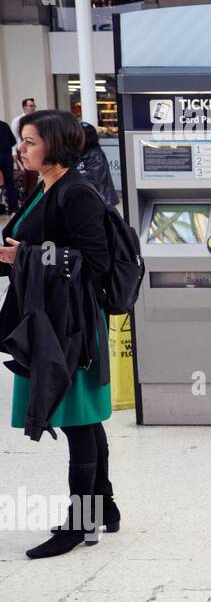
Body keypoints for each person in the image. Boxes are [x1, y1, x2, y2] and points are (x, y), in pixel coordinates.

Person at [0, 110, 116, 558]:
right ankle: (104, 508)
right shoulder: (44, 188)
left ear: (54, 145)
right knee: (84, 417)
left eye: (29, 141)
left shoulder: (76, 192)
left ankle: (80, 523)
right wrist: (17, 254)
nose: (21, 149)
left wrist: (24, 258)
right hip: (50, 316)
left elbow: (94, 261)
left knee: (76, 419)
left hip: (71, 323)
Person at [76, 122, 118, 208]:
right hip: (90, 200)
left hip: (101, 201)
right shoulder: (79, 153)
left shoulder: (95, 155)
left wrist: (70, 175)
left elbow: (94, 178)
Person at [0, 119, 16, 216]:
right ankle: (13, 209)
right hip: (6, 158)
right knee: (10, 185)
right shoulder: (4, 125)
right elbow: (13, 141)